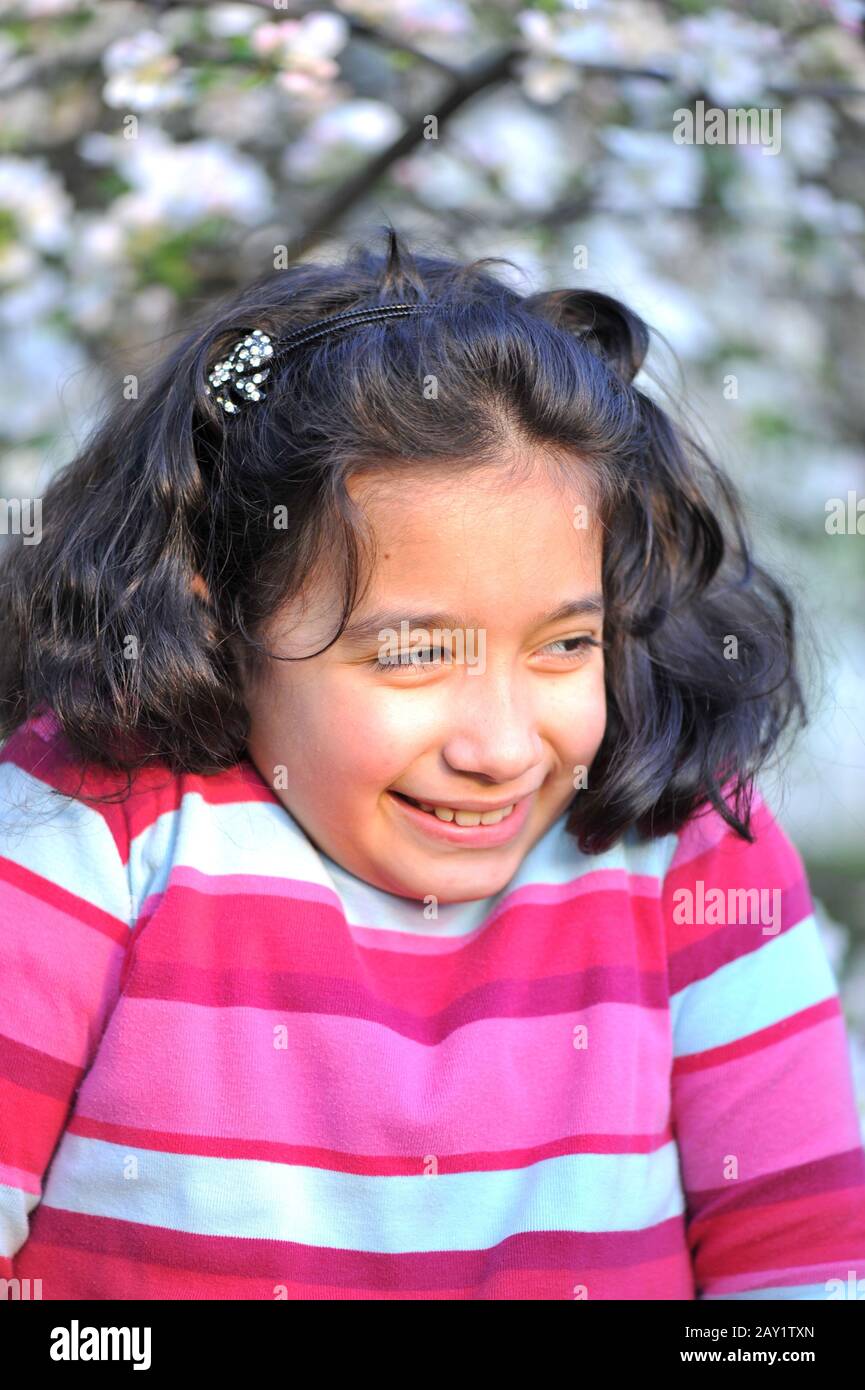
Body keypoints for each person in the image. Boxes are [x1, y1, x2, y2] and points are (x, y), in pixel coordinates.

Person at [0, 227, 863, 1300]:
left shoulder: (690, 850)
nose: (498, 746)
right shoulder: (90, 826)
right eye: (411, 655)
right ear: (220, 618)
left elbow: (800, 1276)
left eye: (564, 645)